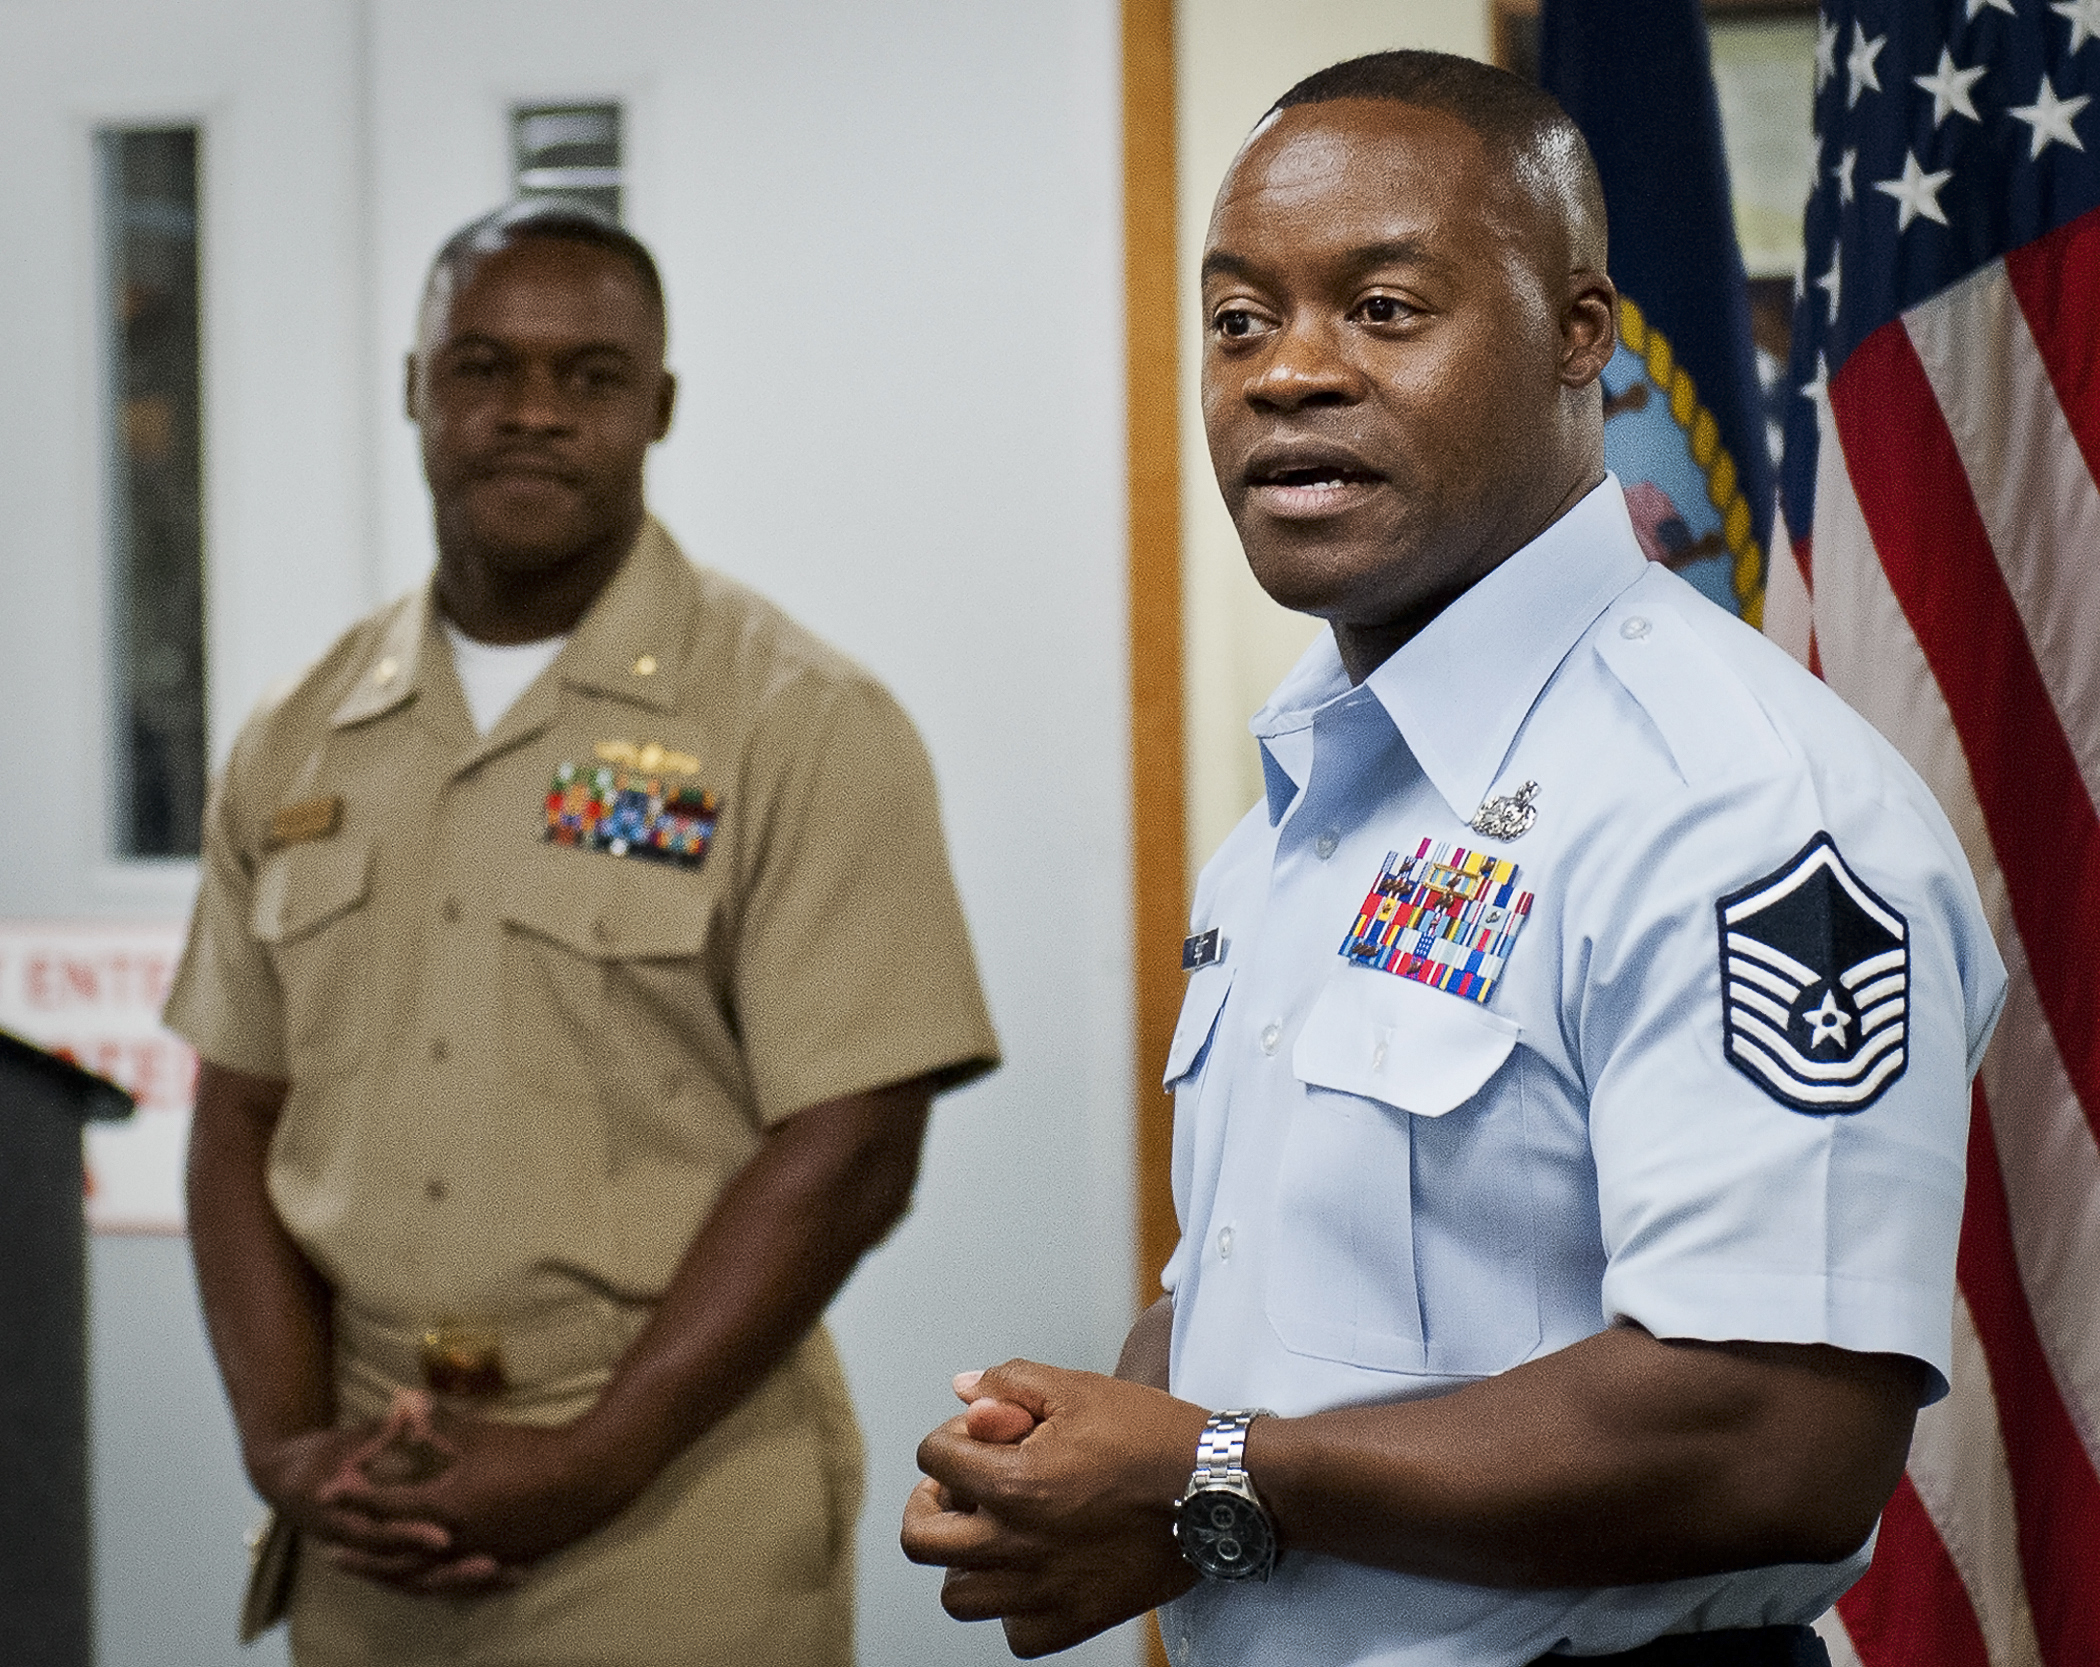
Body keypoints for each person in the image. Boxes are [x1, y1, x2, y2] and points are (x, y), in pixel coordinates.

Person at [901, 50, 2004, 1667]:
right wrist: (1087, 1456)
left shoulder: (1735, 805)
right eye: (1239, 321)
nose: (1288, 374)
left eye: (1385, 309)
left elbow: (1770, 1438)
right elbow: (1305, 1300)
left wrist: (1205, 1475)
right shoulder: (1310, 803)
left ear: (1579, 336)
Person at [168, 197, 999, 1666]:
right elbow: (237, 1107)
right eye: (482, 366)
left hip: (669, 1498)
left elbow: (856, 1140)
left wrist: (594, 1459)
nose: (532, 414)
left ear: (658, 407)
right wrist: (283, 1443)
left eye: (590, 377)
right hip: (375, 1497)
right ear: (415, 389)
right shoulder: (301, 737)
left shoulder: (798, 721)